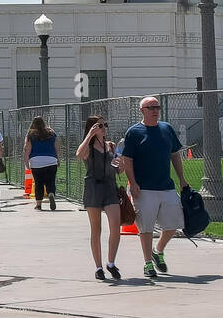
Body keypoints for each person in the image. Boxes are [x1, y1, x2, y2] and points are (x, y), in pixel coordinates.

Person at [119, 96, 190, 279]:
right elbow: (128, 160)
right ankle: (147, 263)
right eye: (151, 107)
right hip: (144, 189)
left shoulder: (166, 129)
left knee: (173, 224)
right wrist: (133, 183)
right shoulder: (134, 132)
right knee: (146, 228)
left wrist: (182, 179)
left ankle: (158, 251)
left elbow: (175, 155)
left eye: (157, 107)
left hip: (166, 186)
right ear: (142, 111)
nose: (155, 110)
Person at [77, 115, 122, 280]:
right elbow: (79, 155)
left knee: (115, 225)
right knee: (96, 229)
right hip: (93, 188)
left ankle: (111, 263)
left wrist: (120, 163)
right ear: (93, 128)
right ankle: (98, 267)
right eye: (100, 126)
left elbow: (118, 170)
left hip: (110, 187)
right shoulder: (88, 146)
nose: (104, 128)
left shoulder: (111, 146)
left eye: (105, 125)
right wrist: (89, 135)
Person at [23, 116, 59, 210]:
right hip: (51, 160)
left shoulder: (30, 135)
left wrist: (27, 162)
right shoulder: (51, 133)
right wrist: (58, 158)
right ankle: (51, 193)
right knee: (51, 181)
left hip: (36, 162)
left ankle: (39, 204)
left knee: (38, 183)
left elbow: (27, 149)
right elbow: (57, 147)